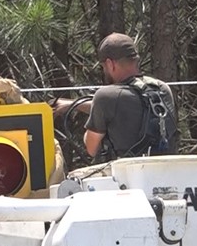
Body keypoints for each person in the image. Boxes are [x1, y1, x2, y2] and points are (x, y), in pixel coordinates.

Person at [53, 33, 178, 161]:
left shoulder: (105, 97)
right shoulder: (161, 88)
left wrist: (91, 126)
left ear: (110, 64)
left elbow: (91, 148)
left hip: (128, 172)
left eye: (103, 67)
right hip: (166, 169)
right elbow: (129, 105)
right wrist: (73, 105)